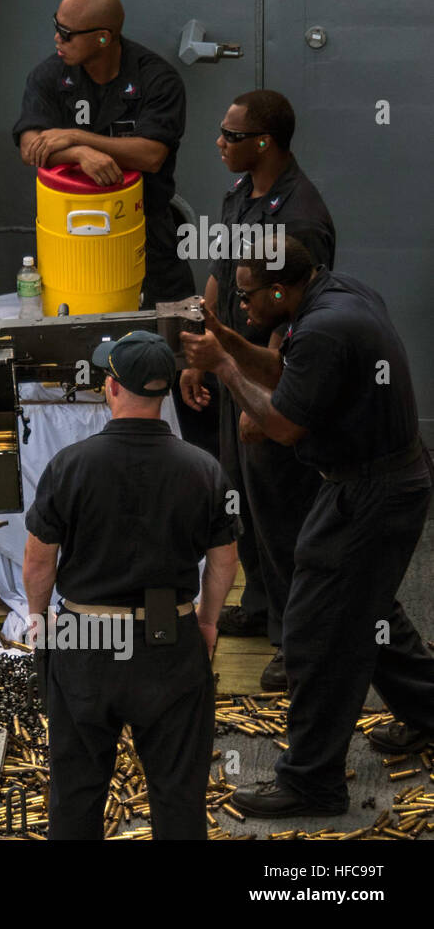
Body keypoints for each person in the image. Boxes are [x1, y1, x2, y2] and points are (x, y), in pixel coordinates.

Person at [181, 237, 434, 817]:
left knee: (319, 630)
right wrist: (229, 341)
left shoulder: (324, 326)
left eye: (247, 297)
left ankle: (313, 781)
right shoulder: (329, 298)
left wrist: (222, 366)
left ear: (279, 288)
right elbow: (287, 370)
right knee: (364, 608)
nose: (242, 304)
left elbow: (282, 423)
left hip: (373, 491)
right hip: (369, 482)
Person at [23, 331, 238, 839]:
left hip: (85, 638)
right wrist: (206, 621)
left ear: (112, 388)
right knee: (178, 795)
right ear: (163, 393)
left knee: (76, 793)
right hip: (169, 639)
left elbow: (37, 562)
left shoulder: (69, 465)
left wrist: (40, 620)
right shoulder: (204, 469)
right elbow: (224, 561)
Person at [178, 90, 336, 691]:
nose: (219, 142)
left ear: (263, 142)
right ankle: (265, 604)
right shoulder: (241, 194)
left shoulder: (302, 220)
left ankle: (296, 642)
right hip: (232, 364)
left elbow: (296, 318)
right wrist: (200, 346)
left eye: (230, 134)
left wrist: (265, 404)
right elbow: (221, 270)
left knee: (284, 516)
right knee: (242, 498)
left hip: (269, 379)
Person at [13, 0, 194, 309]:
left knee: (172, 339)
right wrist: (80, 155)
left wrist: (78, 137)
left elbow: (151, 156)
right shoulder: (49, 77)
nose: (58, 39)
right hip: (71, 239)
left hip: (146, 233)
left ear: (103, 38)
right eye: (56, 27)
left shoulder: (158, 81)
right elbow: (30, 146)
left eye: (67, 33)